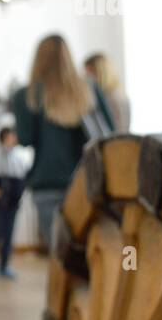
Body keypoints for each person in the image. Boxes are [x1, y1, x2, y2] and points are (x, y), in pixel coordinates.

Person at [10, 35, 114, 250]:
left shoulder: (27, 95)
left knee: (62, 262)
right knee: (94, 255)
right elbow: (110, 133)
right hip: (89, 183)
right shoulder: (88, 88)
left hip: (47, 185)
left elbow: (25, 138)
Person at [0, 125, 29, 279]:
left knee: (9, 234)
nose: (13, 139)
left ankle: (4, 266)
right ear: (3, 138)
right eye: (10, 137)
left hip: (13, 201)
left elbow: (23, 178)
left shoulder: (19, 156)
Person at [83, 52, 131, 132]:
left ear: (100, 72)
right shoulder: (119, 92)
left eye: (88, 73)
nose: (86, 77)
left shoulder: (110, 97)